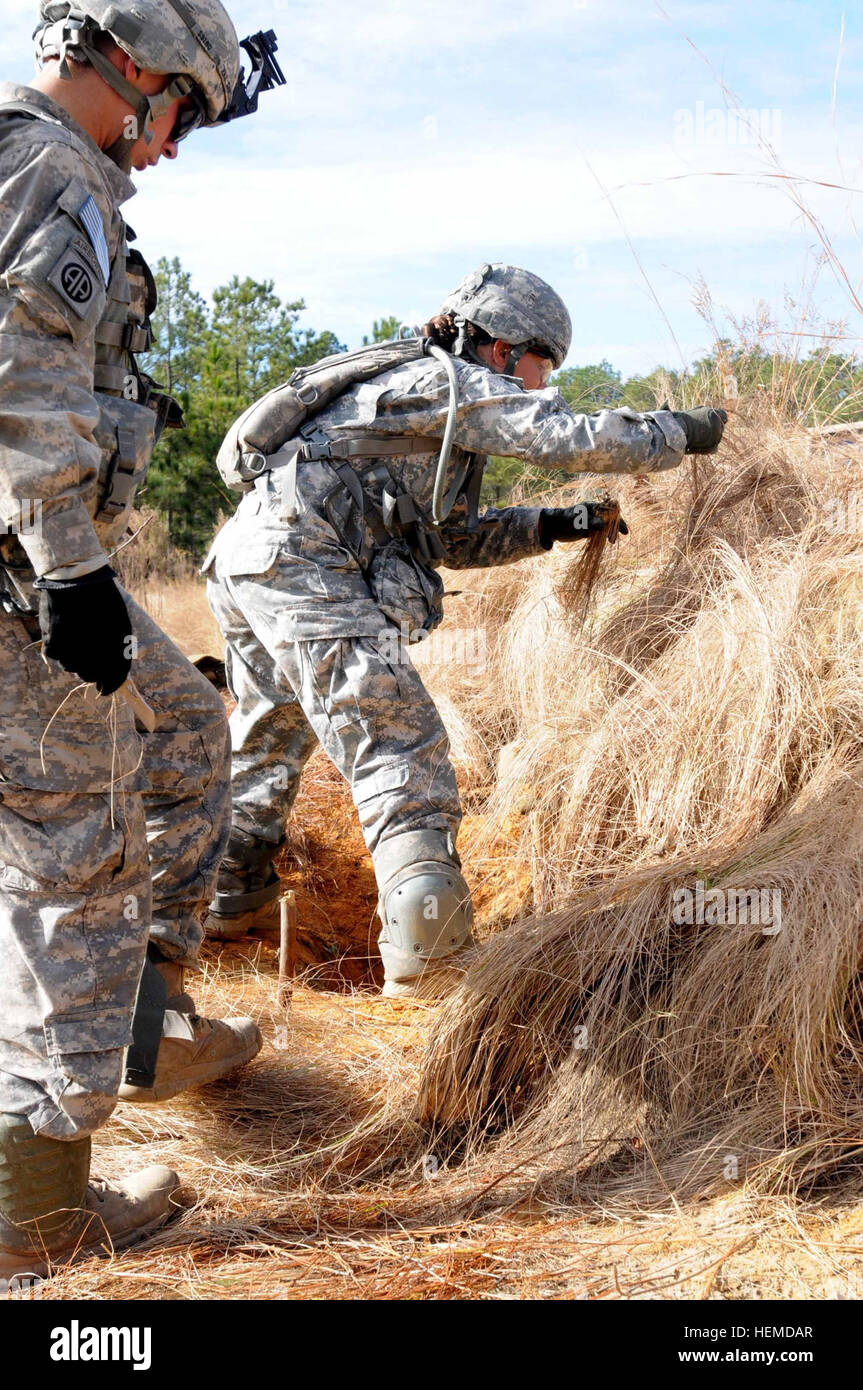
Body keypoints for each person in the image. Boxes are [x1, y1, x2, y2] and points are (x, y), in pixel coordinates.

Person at [202, 263, 726, 998]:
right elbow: (562, 437)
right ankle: (432, 966)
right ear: (503, 347)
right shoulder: (447, 381)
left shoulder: (410, 400)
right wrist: (679, 431)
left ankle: (230, 897)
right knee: (396, 742)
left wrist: (549, 525)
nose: (541, 382)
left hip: (251, 562)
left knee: (272, 725)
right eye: (544, 363)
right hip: (303, 565)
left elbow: (448, 539)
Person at [0, 0, 283, 1279]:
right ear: (130, 69)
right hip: (27, 574)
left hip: (47, 560)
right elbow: (24, 381)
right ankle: (39, 1206)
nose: (170, 147)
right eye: (178, 115)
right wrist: (68, 573)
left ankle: (140, 1018)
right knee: (75, 862)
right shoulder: (55, 171)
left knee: (183, 723)